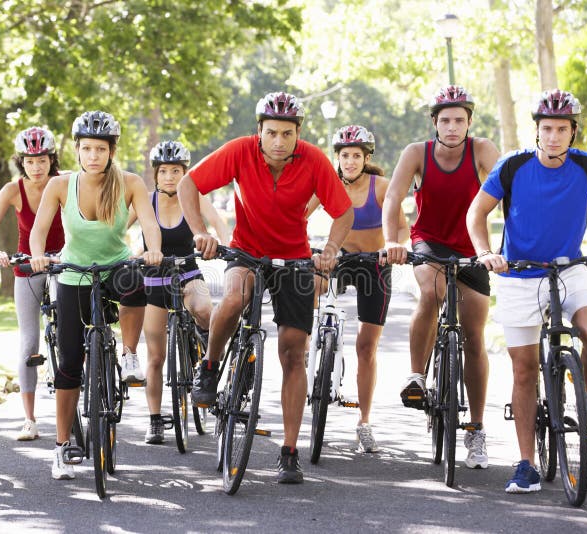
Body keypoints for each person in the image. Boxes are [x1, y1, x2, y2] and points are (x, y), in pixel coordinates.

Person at [178, 91, 354, 484]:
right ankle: (209, 367)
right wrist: (201, 232)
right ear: (259, 131)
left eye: (287, 134)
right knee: (236, 295)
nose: (278, 141)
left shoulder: (313, 161)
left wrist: (329, 250)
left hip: (293, 258)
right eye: (271, 132)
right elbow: (190, 184)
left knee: (293, 352)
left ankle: (288, 452)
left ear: (298, 134)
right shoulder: (240, 151)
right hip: (247, 250)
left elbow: (343, 211)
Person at [466, 89, 587, 493]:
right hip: (519, 275)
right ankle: (525, 464)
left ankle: (586, 397)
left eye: (561, 129)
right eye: (547, 129)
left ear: (573, 132)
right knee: (524, 371)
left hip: (569, 270)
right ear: (536, 131)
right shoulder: (513, 165)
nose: (554, 136)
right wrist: (487, 252)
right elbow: (477, 213)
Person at [28, 110, 162, 480]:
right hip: (73, 273)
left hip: (115, 267)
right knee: (69, 363)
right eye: (86, 148)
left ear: (112, 151)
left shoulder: (131, 183)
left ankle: (130, 353)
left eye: (100, 149)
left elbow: (149, 225)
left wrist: (153, 249)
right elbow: (39, 231)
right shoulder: (60, 185)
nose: (92, 156)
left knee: (137, 278)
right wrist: (39, 254)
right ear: (76, 150)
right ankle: (60, 448)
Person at [382, 85, 500, 469]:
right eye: (445, 120)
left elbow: (510, 192)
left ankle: (477, 429)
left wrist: (508, 246)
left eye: (459, 120)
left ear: (469, 123)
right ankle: (417, 376)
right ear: (434, 122)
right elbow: (393, 197)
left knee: (474, 334)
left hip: (472, 247)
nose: (452, 127)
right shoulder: (416, 153)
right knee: (431, 293)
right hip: (428, 241)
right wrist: (390, 241)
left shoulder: (481, 150)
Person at [306, 125, 407, 453]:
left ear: (366, 158)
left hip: (375, 265)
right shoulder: (328, 185)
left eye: (356, 156)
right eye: (344, 156)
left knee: (366, 347)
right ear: (337, 158)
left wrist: (392, 245)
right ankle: (309, 342)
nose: (350, 161)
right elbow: (298, 215)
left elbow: (403, 227)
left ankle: (364, 422)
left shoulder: (382, 187)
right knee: (312, 280)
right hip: (341, 258)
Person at [132, 140, 229, 445]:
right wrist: (130, 254)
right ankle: (154, 420)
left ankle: (205, 343)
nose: (170, 177)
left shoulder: (194, 198)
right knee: (156, 357)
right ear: (155, 175)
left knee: (204, 310)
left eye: (176, 171)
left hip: (188, 272)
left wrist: (225, 247)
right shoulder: (146, 202)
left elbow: (220, 224)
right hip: (154, 281)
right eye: (164, 171)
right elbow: (119, 228)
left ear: (185, 173)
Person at [0, 127, 65, 441]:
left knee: (72, 333)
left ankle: (79, 402)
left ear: (52, 160)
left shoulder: (66, 183)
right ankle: (30, 419)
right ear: (21, 161)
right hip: (27, 266)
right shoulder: (12, 189)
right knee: (29, 343)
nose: (36, 167)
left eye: (42, 160)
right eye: (29, 160)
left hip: (64, 263)